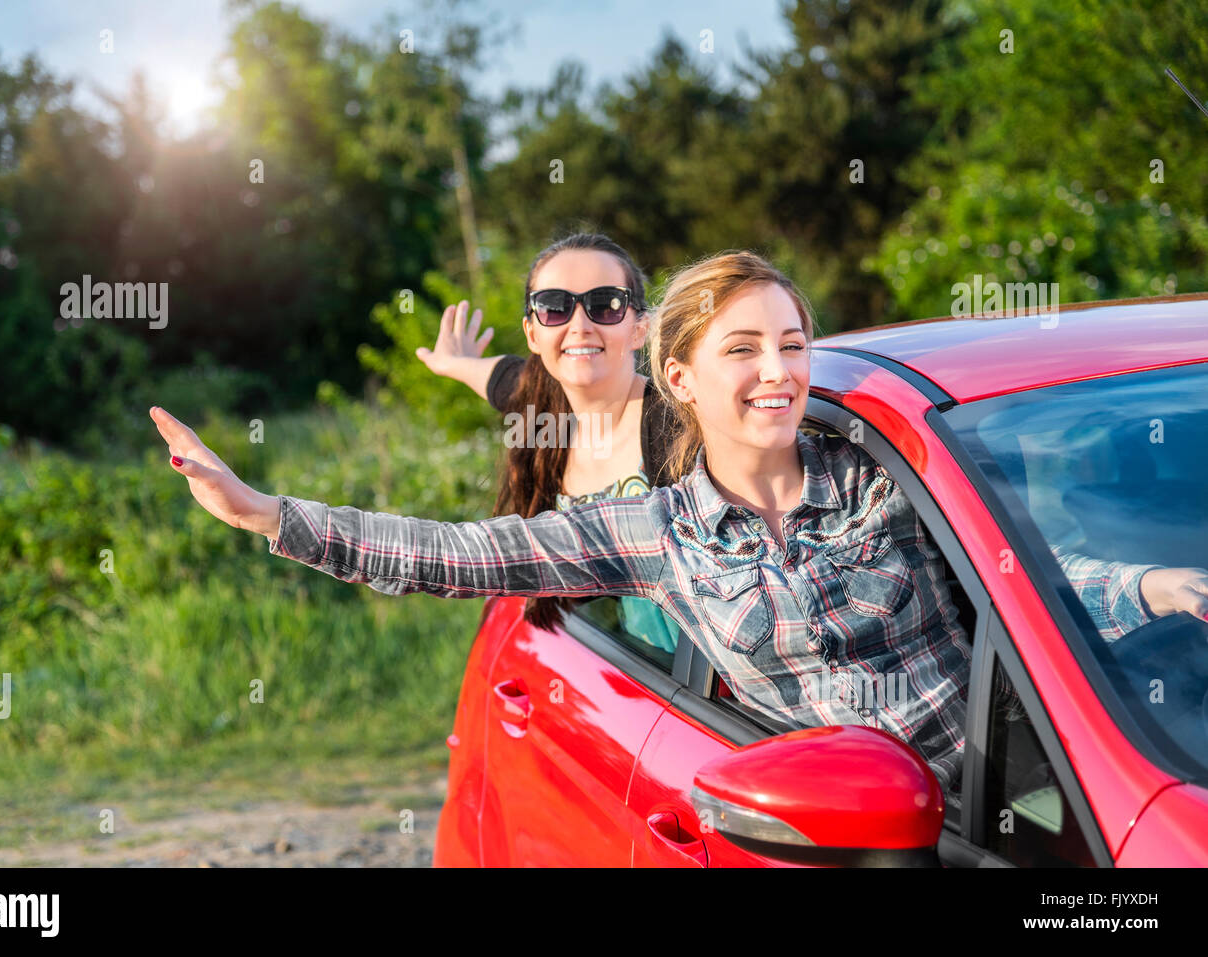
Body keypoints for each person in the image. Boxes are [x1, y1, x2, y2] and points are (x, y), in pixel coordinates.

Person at [151, 250, 1208, 797]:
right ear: (679, 376)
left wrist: (1151, 585)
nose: (779, 371)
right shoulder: (653, 531)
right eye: (744, 349)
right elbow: (455, 554)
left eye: (792, 344)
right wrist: (261, 513)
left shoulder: (880, 471)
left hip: (1024, 805)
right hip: (856, 836)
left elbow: (1019, 572)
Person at [414, 232, 680, 649]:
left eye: (605, 304)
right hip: (632, 666)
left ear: (640, 328)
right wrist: (453, 363)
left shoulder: (677, 422)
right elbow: (497, 378)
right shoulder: (539, 407)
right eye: (554, 307)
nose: (579, 326)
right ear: (533, 334)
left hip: (711, 686)